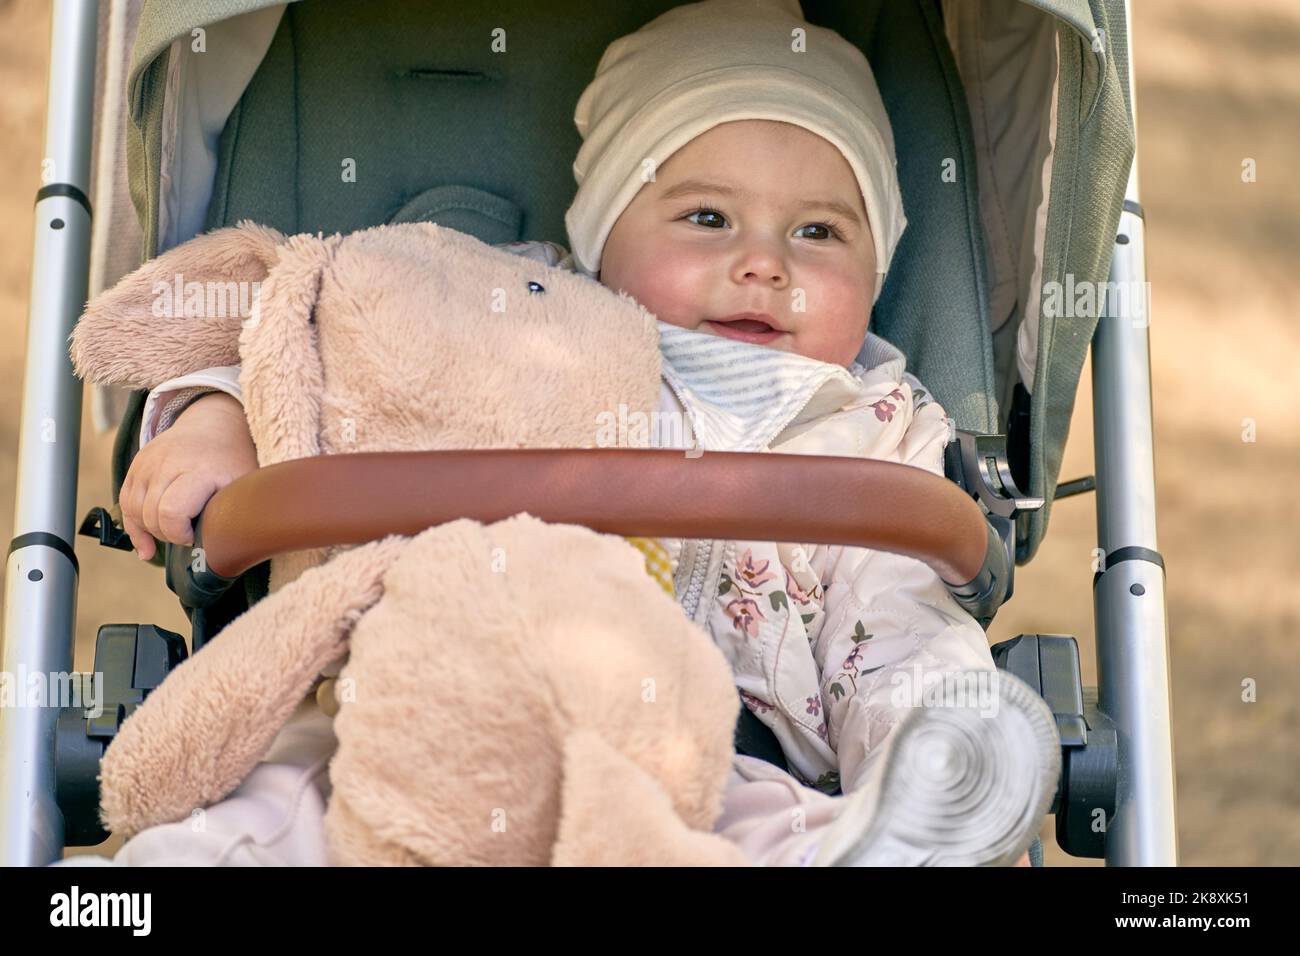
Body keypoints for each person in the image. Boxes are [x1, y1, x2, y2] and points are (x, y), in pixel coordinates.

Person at [70, 0, 1056, 867]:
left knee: (789, 821)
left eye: (818, 232)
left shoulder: (878, 430)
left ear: (879, 268)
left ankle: (913, 829)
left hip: (703, 764)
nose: (763, 263)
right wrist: (219, 418)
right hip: (426, 703)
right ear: (600, 235)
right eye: (707, 217)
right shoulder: (515, 307)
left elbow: (898, 631)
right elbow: (319, 332)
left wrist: (936, 745)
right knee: (282, 800)